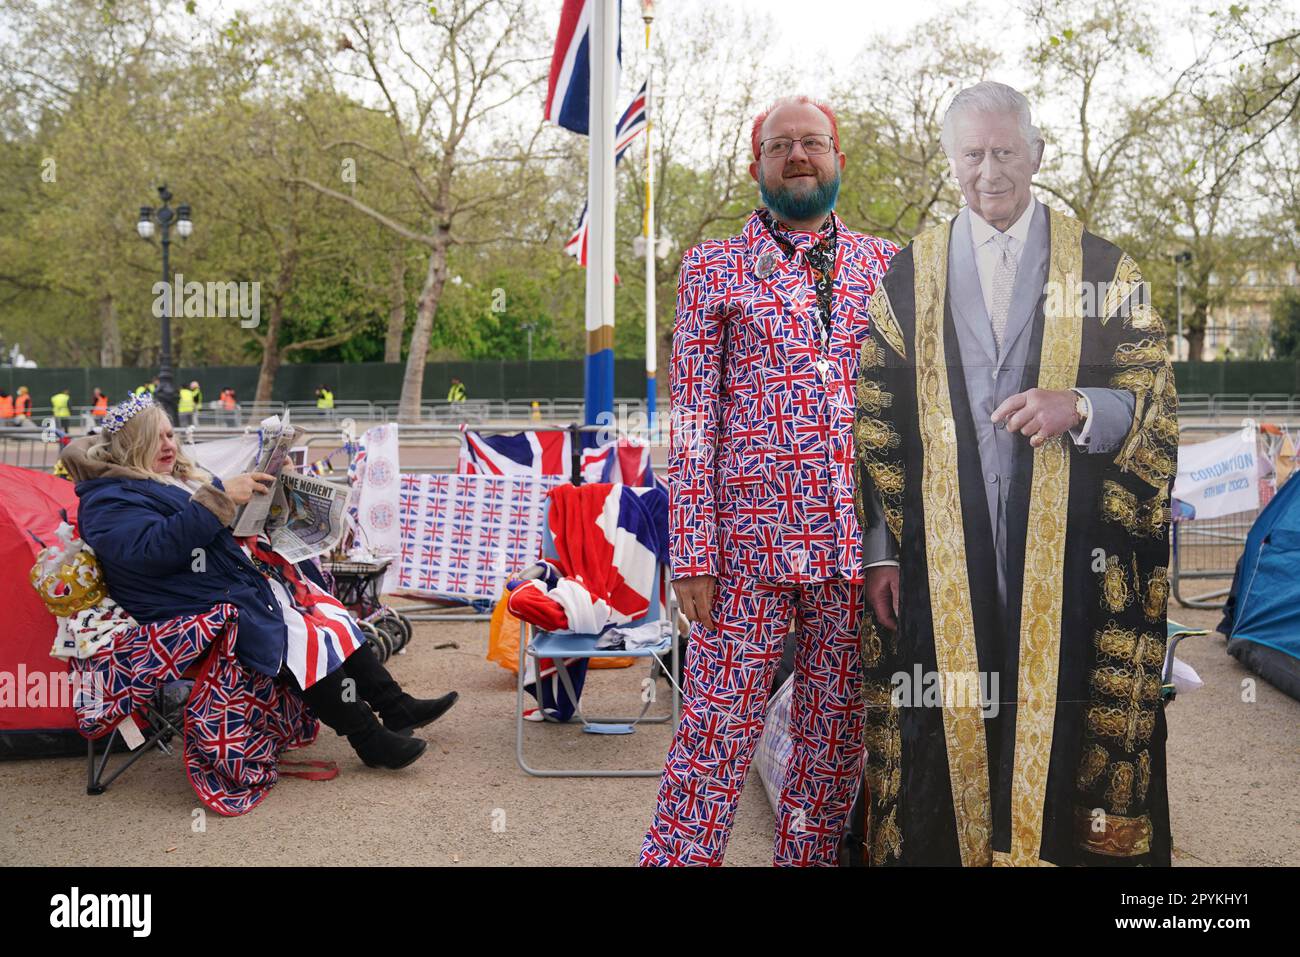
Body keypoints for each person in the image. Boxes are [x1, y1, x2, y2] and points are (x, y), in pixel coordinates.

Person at [853, 81, 1177, 867]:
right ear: (951, 160)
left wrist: (1084, 405)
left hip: (1072, 557)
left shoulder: (1102, 270)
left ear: (1037, 153)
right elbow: (875, 421)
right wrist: (884, 550)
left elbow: (1156, 399)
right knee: (949, 714)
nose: (989, 171)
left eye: (1005, 151)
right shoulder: (909, 277)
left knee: (1059, 707)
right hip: (943, 563)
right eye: (973, 154)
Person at [640, 95, 898, 866]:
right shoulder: (711, 268)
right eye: (780, 145)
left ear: (837, 158)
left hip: (854, 552)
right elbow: (692, 419)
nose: (797, 156)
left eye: (812, 143)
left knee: (830, 741)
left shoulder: (890, 266)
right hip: (744, 551)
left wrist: (894, 548)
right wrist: (691, 551)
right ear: (755, 165)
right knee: (714, 734)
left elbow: (905, 418)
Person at [60, 393, 459, 770]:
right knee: (292, 631)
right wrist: (218, 498)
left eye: (169, 434)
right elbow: (152, 552)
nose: (168, 445)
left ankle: (394, 704)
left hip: (208, 587)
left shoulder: (160, 478)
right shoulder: (108, 498)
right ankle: (368, 738)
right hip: (177, 606)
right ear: (131, 445)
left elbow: (199, 531)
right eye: (155, 438)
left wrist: (267, 493)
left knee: (322, 609)